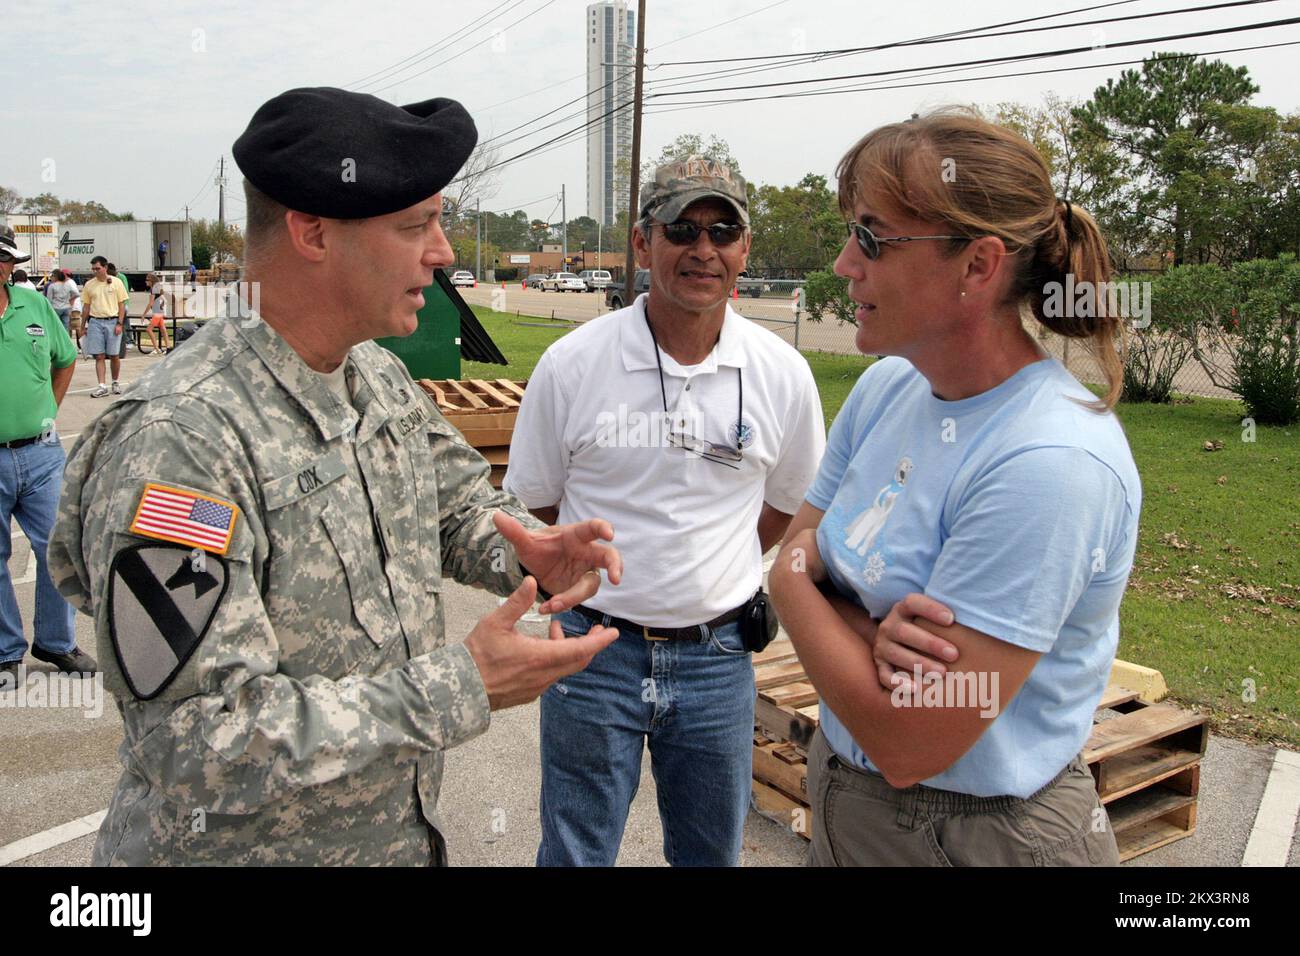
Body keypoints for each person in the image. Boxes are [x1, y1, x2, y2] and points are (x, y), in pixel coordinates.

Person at [48, 85, 623, 867]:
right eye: (416, 224)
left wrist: (527, 552)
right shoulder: (181, 440)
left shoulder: (373, 379)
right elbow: (194, 739)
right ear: (312, 233)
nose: (444, 250)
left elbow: (456, 509)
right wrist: (461, 685)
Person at [768, 110, 1142, 867]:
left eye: (872, 236)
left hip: (981, 836)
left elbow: (912, 738)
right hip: (845, 798)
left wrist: (794, 586)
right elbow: (796, 544)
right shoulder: (887, 390)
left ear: (979, 265)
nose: (845, 263)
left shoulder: (1049, 461)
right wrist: (867, 634)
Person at [504, 157, 827, 867]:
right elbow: (540, 502)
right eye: (681, 228)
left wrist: (715, 564)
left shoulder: (781, 374)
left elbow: (787, 505)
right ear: (643, 243)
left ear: (745, 248)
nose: (703, 249)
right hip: (594, 652)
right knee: (575, 852)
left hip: (717, 660)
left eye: (723, 230)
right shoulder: (573, 365)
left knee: (711, 855)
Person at [0, 227, 96, 689]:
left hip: (40, 454)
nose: (4, 267)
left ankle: (56, 643)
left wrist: (47, 412)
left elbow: (64, 359)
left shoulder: (32, 303)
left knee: (58, 548)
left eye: (6, 260)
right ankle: (6, 652)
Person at [80, 255, 127, 397]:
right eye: (93, 269)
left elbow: (122, 305)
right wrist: (82, 326)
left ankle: (115, 382)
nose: (95, 271)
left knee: (114, 355)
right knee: (99, 355)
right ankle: (101, 385)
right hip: (95, 321)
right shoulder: (89, 285)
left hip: (112, 321)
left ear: (105, 268)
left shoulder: (116, 283)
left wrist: (120, 323)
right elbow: (86, 307)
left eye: (98, 268)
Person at [108, 263, 132, 364]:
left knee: (124, 323)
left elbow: (125, 290)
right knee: (118, 325)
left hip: (123, 304)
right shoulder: (109, 279)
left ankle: (129, 341)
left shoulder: (121, 277)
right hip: (114, 305)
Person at [143, 273, 172, 354]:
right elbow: (164, 300)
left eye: (147, 280)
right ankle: (168, 347)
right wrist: (161, 307)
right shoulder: (157, 289)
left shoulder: (153, 289)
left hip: (157, 313)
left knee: (148, 329)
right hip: (159, 312)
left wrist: (144, 315)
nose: (145, 281)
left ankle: (156, 349)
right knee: (163, 329)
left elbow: (150, 303)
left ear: (151, 281)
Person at [44, 268, 79, 335]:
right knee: (65, 328)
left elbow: (49, 300)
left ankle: (57, 342)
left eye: (52, 276)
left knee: (55, 327)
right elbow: (76, 294)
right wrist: (71, 299)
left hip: (56, 308)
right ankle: (65, 342)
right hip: (66, 308)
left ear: (55, 276)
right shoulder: (68, 284)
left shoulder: (52, 286)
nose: (51, 278)